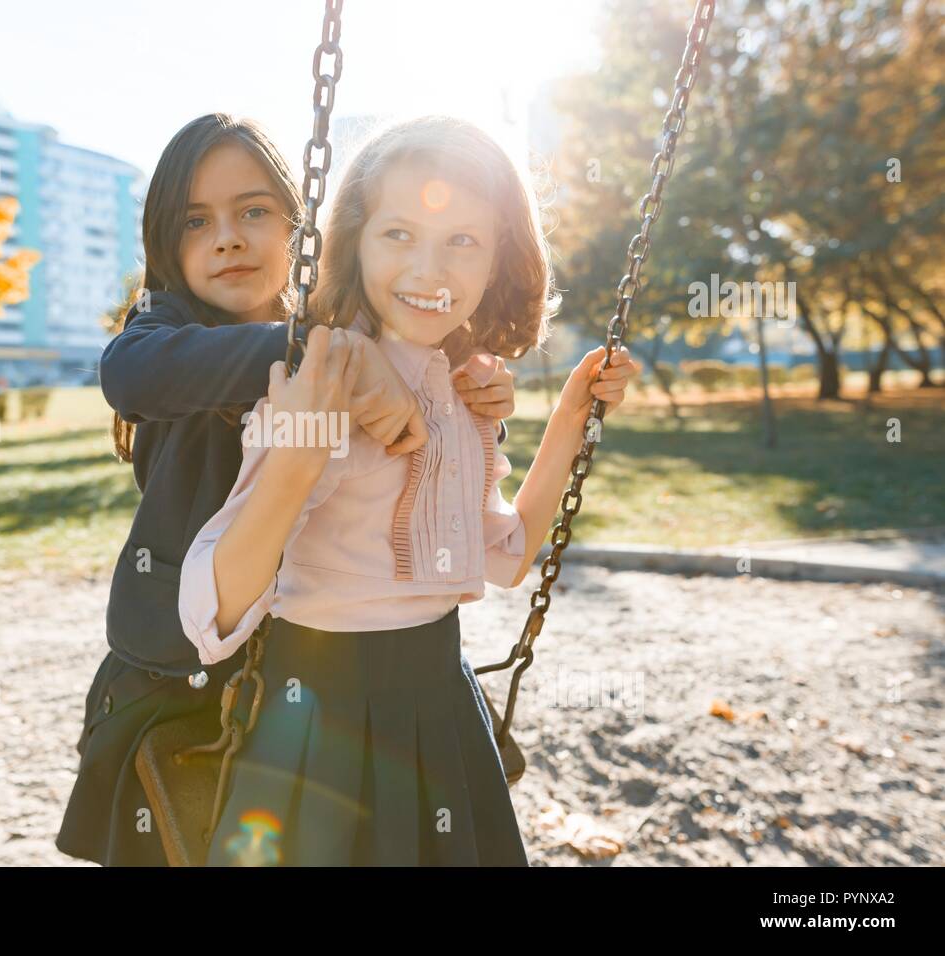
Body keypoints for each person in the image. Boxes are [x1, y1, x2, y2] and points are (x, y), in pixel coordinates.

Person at [54, 113, 519, 865]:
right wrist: (314, 351)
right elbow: (130, 374)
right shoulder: (168, 331)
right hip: (188, 674)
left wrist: (482, 399)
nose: (228, 237)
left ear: (305, 229)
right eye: (196, 220)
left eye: (253, 211)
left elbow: (423, 432)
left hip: (317, 668)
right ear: (167, 247)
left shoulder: (350, 324)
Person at [178, 115, 641, 866]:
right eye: (399, 235)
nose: (431, 272)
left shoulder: (464, 393)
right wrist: (298, 459)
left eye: (463, 241)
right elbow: (212, 610)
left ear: (498, 262)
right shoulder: (319, 380)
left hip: (440, 705)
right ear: (354, 244)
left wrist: (574, 412)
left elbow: (508, 554)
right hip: (317, 720)